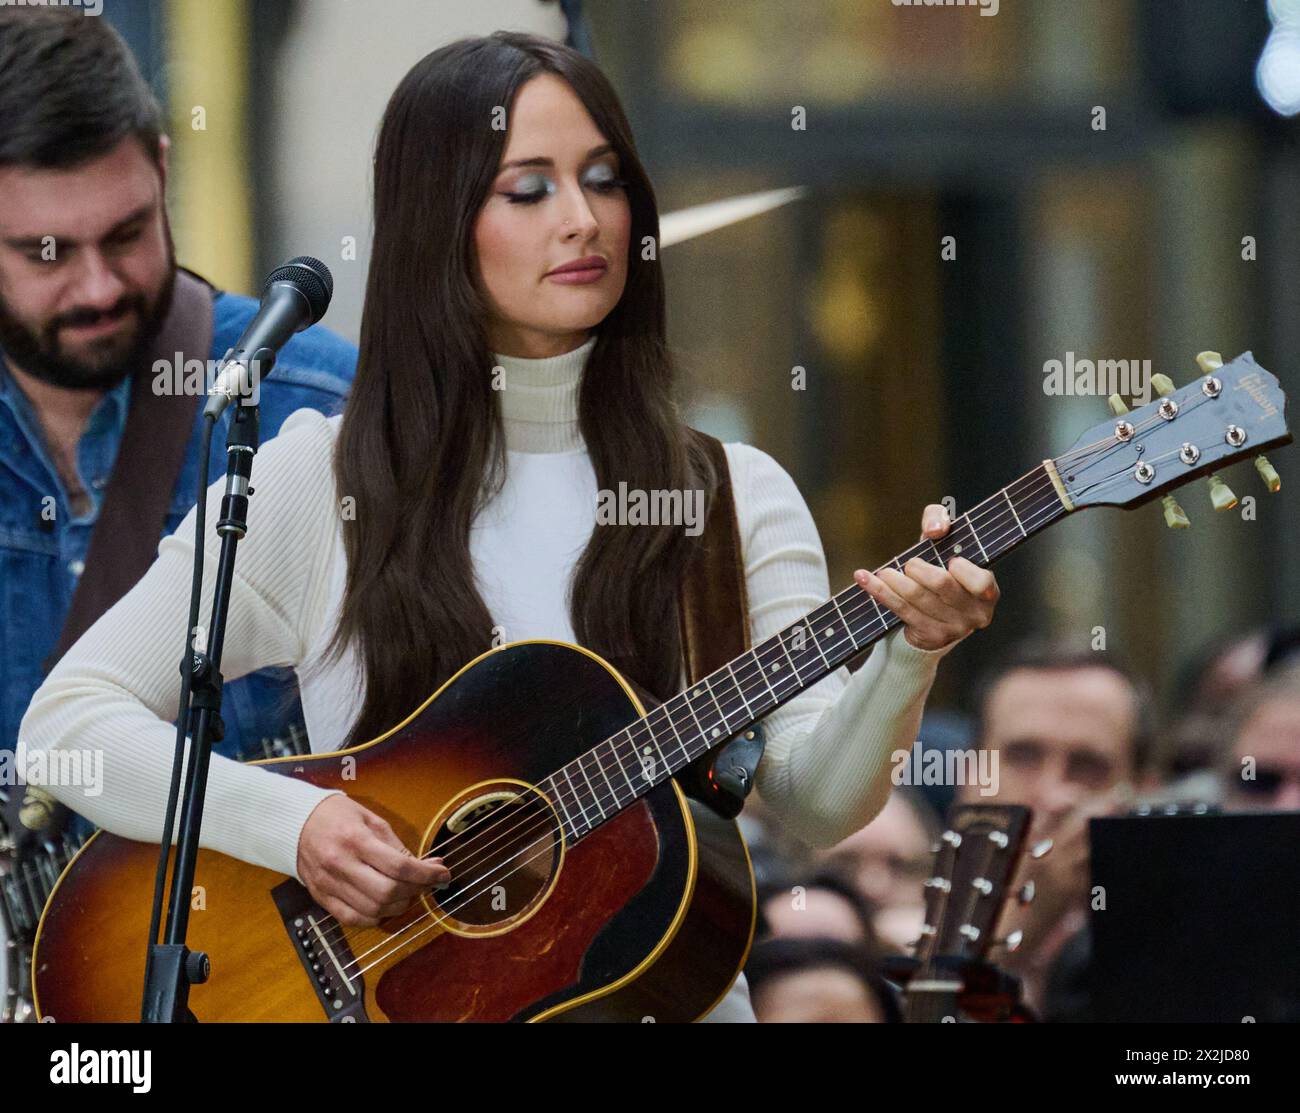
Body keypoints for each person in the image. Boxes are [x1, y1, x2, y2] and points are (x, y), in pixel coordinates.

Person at [19, 31, 999, 1022]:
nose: (581, 220)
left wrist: (906, 657)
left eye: (604, 180)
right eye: (527, 190)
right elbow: (68, 730)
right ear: (437, 221)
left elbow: (815, 802)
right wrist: (295, 822)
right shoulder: (321, 479)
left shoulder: (730, 492)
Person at [0, 9, 357, 773]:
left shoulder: (320, 408)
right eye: (46, 254)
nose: (98, 287)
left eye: (127, 234)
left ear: (162, 171)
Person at [954, 637, 1152, 1014]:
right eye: (1023, 756)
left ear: (1144, 788)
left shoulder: (1178, 941)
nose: (1053, 794)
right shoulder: (882, 926)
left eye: (1087, 765)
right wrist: (1021, 929)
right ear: (969, 771)